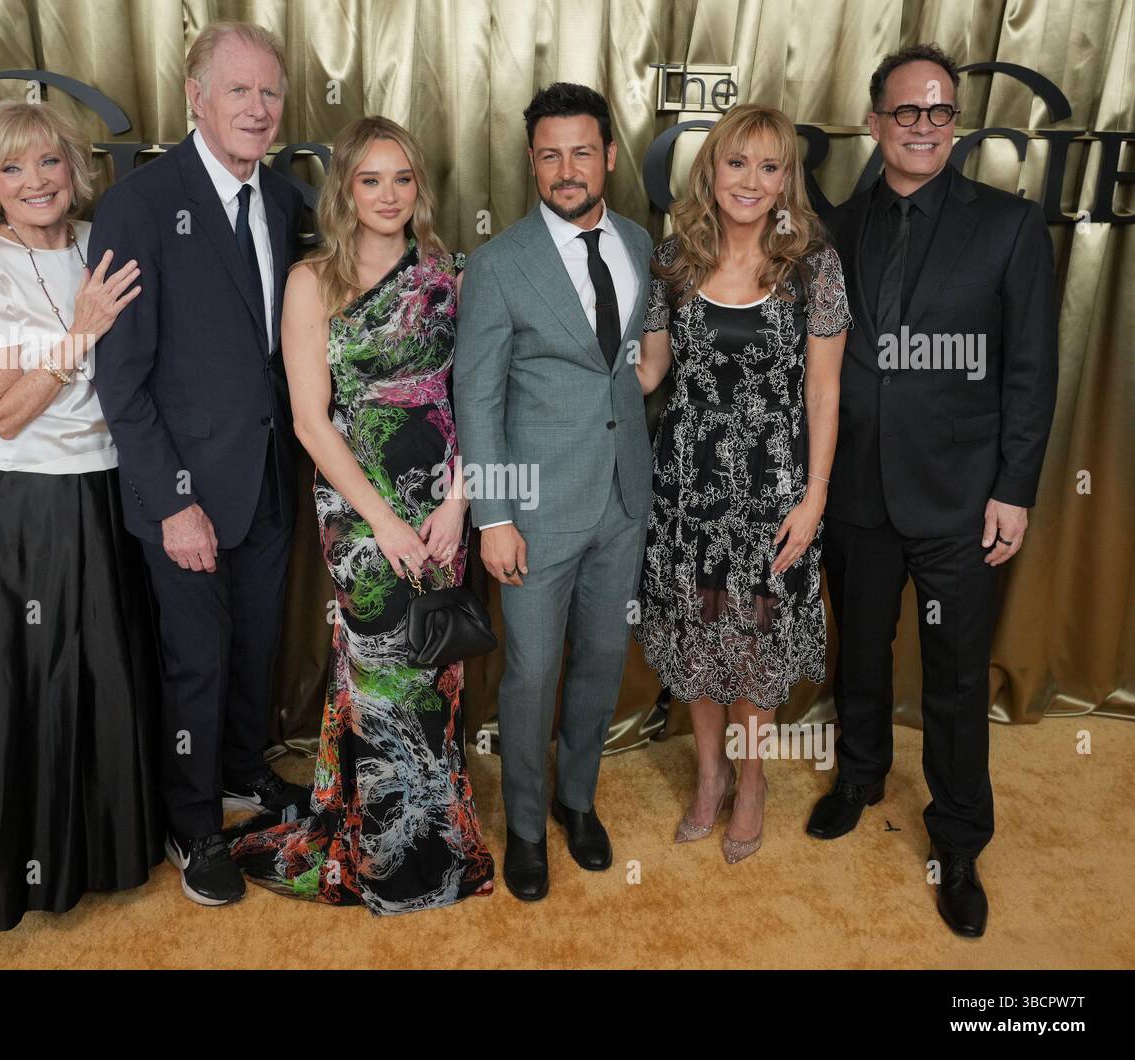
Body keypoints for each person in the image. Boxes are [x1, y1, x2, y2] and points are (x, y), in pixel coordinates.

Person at [810, 43, 1058, 937]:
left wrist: (1015, 488)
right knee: (862, 650)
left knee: (954, 676)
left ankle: (958, 841)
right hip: (857, 493)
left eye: (940, 111)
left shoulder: (1007, 224)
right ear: (874, 123)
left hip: (960, 498)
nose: (923, 126)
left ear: (955, 124)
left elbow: (1031, 369)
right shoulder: (834, 228)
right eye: (906, 112)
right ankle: (860, 773)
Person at [227, 116, 495, 914]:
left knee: (434, 670)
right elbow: (312, 421)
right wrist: (383, 522)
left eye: (403, 179)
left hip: (444, 505)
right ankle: (380, 851)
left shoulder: (452, 274)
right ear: (344, 187)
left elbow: (478, 398)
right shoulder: (313, 281)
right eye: (370, 179)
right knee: (378, 675)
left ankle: (438, 844)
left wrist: (457, 503)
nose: (388, 195)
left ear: (421, 188)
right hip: (359, 513)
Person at [89, 20, 310, 907]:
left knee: (255, 648)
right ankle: (191, 822)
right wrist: (174, 502)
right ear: (195, 96)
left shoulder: (289, 202)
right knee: (196, 662)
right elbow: (123, 380)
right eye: (239, 91)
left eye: (270, 94)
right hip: (184, 493)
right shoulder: (141, 204)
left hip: (266, 479)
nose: (257, 109)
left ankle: (242, 775)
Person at [0, 100, 161, 930]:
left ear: (74, 168)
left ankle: (107, 847)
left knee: (107, 669)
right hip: (26, 499)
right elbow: (1, 411)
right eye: (12, 168)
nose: (35, 182)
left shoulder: (99, 241)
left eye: (49, 163)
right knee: (38, 679)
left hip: (109, 484)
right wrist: (80, 333)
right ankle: (37, 861)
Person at [634, 104, 850, 864]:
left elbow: (824, 393)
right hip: (686, 489)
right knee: (696, 634)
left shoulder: (813, 266)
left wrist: (816, 494)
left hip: (775, 490)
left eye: (769, 166)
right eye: (737, 163)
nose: (750, 181)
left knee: (756, 641)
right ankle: (711, 770)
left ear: (787, 179)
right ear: (711, 170)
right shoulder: (674, 260)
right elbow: (652, 370)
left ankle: (751, 779)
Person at [455, 83, 654, 902]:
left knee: (601, 663)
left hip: (622, 500)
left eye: (581, 151)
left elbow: (636, 360)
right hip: (532, 510)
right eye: (549, 154)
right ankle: (529, 827)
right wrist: (494, 517)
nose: (566, 169)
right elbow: (476, 396)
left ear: (608, 155)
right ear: (531, 163)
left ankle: (578, 800)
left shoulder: (640, 241)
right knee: (531, 675)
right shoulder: (500, 264)